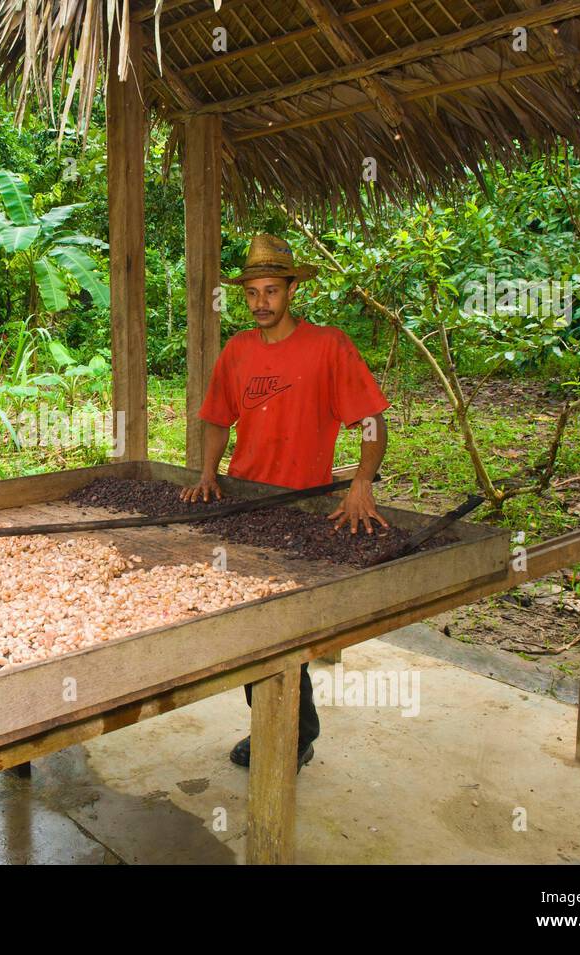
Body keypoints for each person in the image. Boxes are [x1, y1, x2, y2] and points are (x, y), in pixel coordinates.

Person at [180, 233, 391, 775]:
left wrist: (361, 482)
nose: (261, 303)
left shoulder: (329, 346)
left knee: (276, 625)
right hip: (244, 505)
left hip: (301, 508)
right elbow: (216, 418)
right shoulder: (238, 352)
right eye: (252, 293)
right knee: (246, 623)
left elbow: (370, 420)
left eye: (271, 291)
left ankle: (290, 734)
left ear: (293, 290)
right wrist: (208, 473)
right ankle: (285, 725)